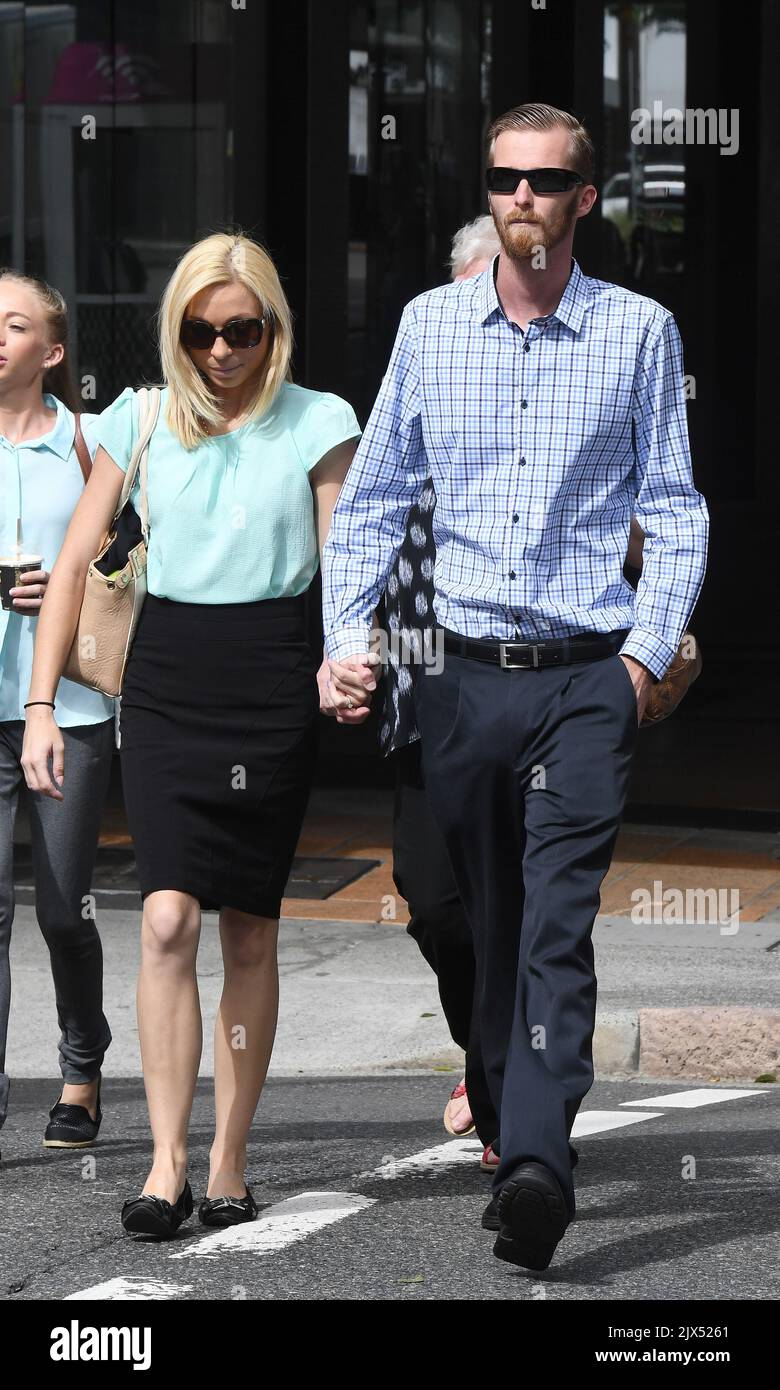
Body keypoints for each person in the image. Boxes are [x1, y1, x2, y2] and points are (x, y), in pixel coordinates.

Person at [320, 103, 708, 1272]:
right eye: (505, 179)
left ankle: (538, 1160)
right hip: (460, 676)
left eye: (548, 182)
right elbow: (377, 495)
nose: (525, 198)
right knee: (468, 915)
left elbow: (677, 509)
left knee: (553, 918)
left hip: (588, 673)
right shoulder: (430, 327)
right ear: (487, 192)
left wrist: (645, 653)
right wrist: (349, 634)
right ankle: (501, 1095)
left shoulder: (640, 332)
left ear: (586, 198)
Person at [22, 232, 361, 1237]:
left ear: (273, 329)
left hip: (268, 680)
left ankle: (230, 1158)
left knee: (249, 925)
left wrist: (347, 656)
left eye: (241, 329)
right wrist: (43, 705)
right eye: (201, 330)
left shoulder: (320, 420)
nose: (221, 349)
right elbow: (76, 562)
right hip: (166, 683)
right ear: (179, 330)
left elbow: (346, 563)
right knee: (166, 916)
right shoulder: (139, 416)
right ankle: (166, 1162)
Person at [324, 214, 648, 1168]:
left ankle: (520, 1119)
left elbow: (648, 514)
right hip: (437, 687)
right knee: (438, 899)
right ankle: (490, 1042)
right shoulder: (426, 364)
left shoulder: (585, 381)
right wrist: (350, 649)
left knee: (545, 907)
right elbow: (366, 513)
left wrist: (647, 631)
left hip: (550, 674)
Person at [0, 270, 114, 1156]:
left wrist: (67, 594)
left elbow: (125, 558)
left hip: (68, 710)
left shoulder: (87, 441)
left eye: (13, 324)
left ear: (53, 349)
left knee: (63, 911)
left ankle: (81, 1069)